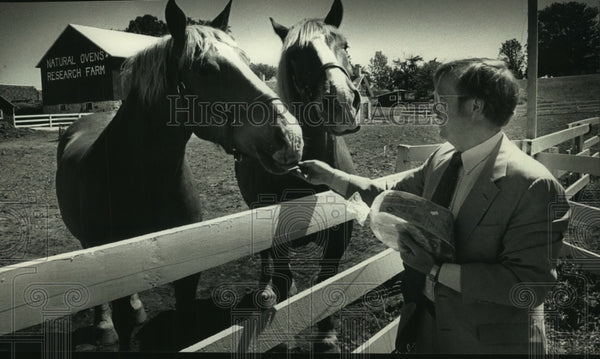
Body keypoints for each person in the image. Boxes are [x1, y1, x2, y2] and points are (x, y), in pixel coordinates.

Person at [295, 58, 570, 354]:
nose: (432, 108)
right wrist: (328, 175)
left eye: (441, 101)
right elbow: (387, 194)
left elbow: (529, 286)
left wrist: (437, 272)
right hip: (428, 331)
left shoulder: (534, 186)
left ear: (475, 107)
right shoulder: (442, 157)